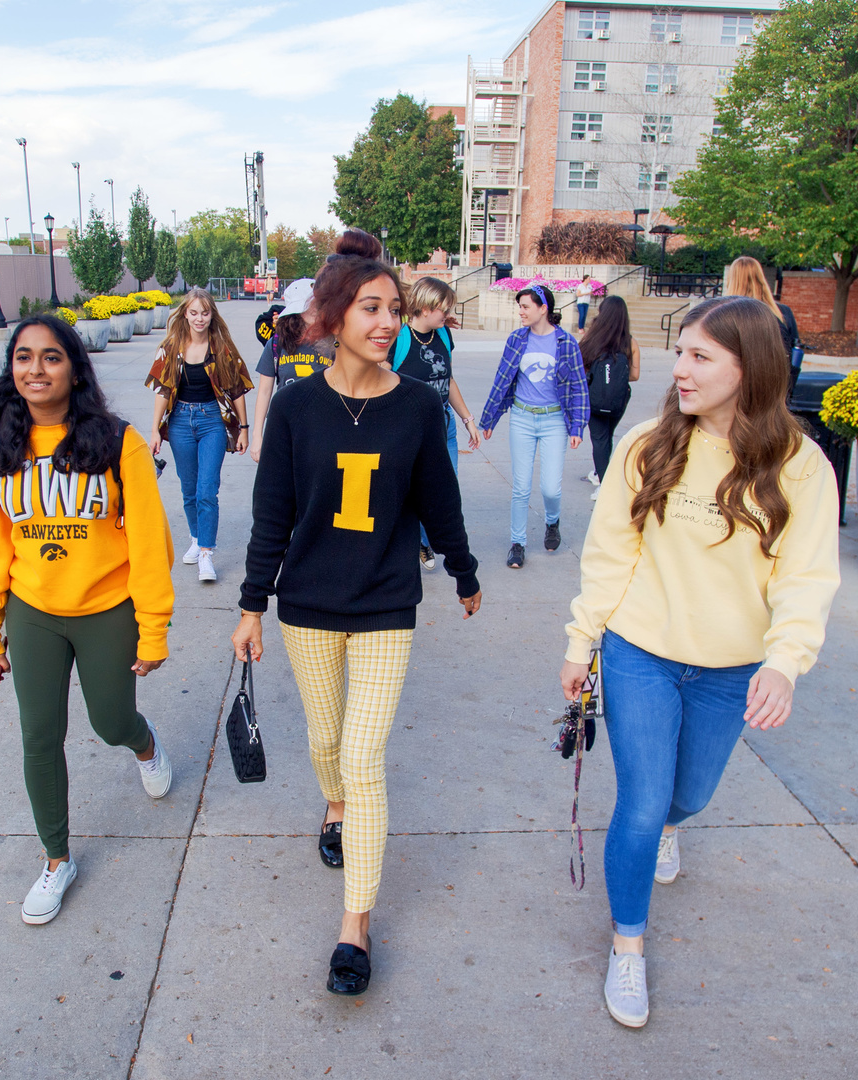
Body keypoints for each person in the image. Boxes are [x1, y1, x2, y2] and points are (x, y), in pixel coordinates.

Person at [559, 295, 840, 1029]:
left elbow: (807, 577)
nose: (679, 369)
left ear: (750, 368)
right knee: (642, 801)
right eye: (680, 352)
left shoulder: (800, 465)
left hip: (732, 668)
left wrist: (784, 662)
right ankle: (627, 945)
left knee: (689, 797)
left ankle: (671, 828)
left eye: (700, 356)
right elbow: (609, 555)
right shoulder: (647, 444)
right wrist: (582, 641)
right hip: (641, 654)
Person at [233, 229, 482, 998]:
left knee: (364, 756)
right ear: (335, 315)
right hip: (306, 606)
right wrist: (251, 605)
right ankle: (332, 805)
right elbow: (272, 514)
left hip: (384, 605)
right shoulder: (297, 408)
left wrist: (464, 571)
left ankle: (355, 925)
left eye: (395, 310)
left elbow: (439, 499)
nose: (387, 322)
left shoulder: (417, 408)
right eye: (371, 308)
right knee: (326, 741)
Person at [0, 314, 178, 928]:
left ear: (75, 370)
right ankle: (56, 859)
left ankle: (144, 744)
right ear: (11, 369)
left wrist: (153, 627)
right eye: (24, 357)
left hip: (106, 607)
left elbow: (149, 543)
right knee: (39, 736)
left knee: (110, 722)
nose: (36, 369)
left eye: (51, 357)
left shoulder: (118, 442)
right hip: (33, 611)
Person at [477, 284, 589, 570]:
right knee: (521, 487)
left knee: (551, 488)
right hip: (522, 418)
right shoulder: (517, 339)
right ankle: (518, 544)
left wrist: (577, 427)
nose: (521, 312)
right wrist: (490, 418)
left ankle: (552, 522)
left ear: (543, 309)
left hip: (554, 420)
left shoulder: (566, 343)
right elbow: (502, 380)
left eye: (526, 307)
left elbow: (579, 386)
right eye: (520, 307)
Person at [145, 288, 253, 584]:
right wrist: (154, 430)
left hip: (212, 421)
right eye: (193, 312)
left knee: (207, 489)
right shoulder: (171, 347)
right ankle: (196, 537)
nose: (199, 318)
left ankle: (206, 552)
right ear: (185, 314)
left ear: (212, 314)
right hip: (180, 421)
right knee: (189, 489)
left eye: (205, 313)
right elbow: (162, 390)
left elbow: (237, 390)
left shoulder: (222, 347)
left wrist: (244, 429)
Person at [390, 276, 480, 569]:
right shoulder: (399, 339)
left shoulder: (443, 334)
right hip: (411, 427)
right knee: (414, 491)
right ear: (426, 307)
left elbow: (447, 379)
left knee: (446, 491)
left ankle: (426, 541)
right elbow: (383, 382)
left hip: (444, 424)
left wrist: (467, 419)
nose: (448, 313)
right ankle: (417, 542)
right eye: (444, 308)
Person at [246, 278, 334, 462]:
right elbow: (264, 392)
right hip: (284, 427)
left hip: (323, 427)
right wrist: (257, 436)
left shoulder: (334, 343)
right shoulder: (277, 344)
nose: (317, 308)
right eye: (312, 304)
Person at [579, 294, 641, 496]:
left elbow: (580, 368)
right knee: (607, 435)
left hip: (594, 397)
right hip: (618, 399)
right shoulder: (630, 343)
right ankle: (600, 472)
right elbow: (635, 375)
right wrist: (615, 377)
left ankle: (603, 484)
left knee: (599, 439)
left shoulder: (592, 339)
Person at [723, 257, 799, 377]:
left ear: (731, 280)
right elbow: (794, 348)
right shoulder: (782, 312)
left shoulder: (724, 314)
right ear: (760, 278)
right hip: (775, 379)